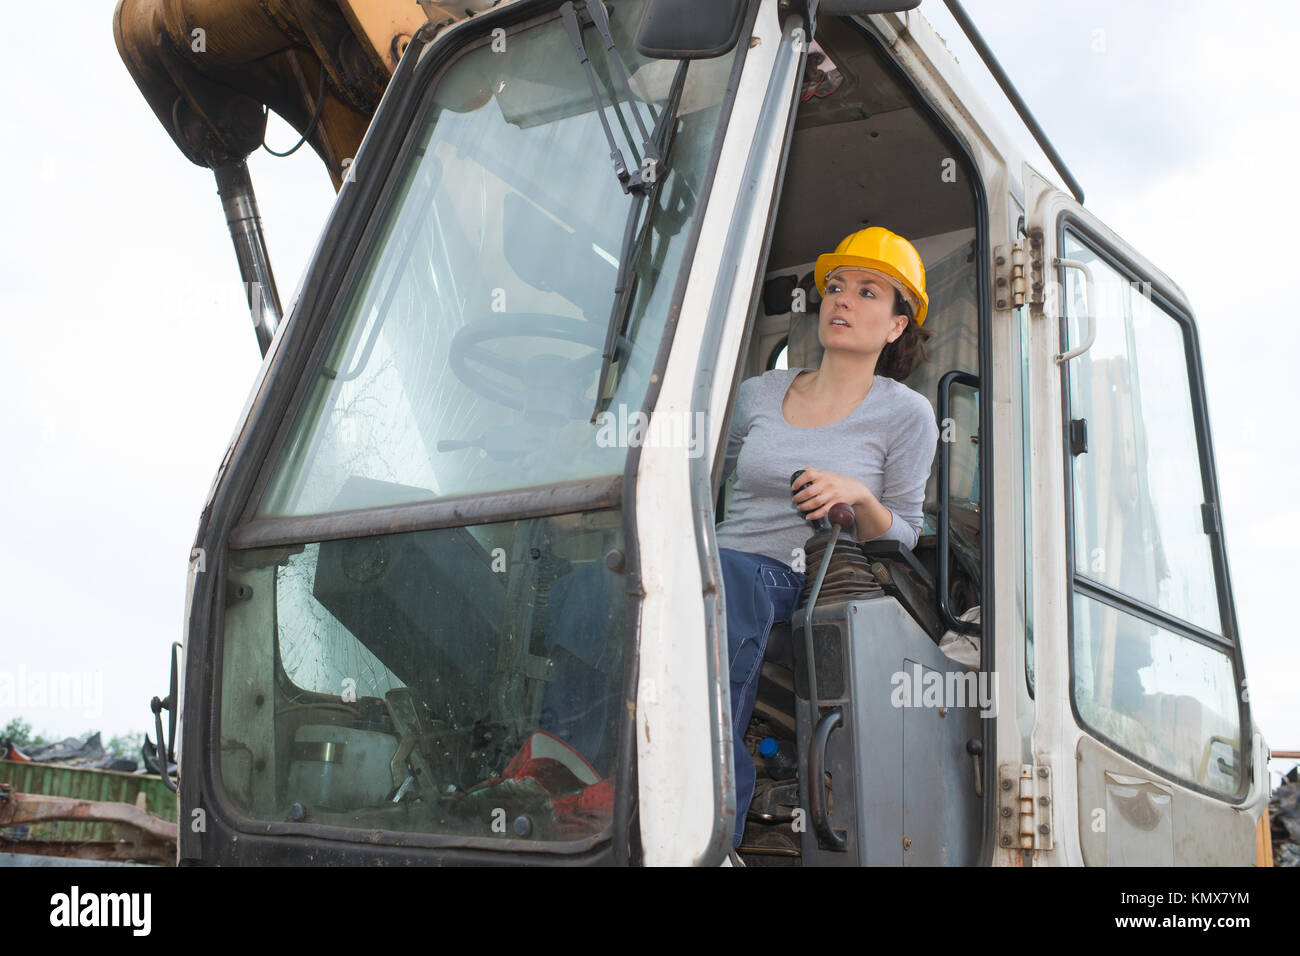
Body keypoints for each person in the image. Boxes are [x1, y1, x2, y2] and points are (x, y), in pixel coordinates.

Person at [715, 226, 939, 848]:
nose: (842, 300)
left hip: (799, 578)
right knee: (589, 584)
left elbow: (905, 531)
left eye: (869, 292)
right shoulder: (758, 394)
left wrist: (858, 496)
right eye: (835, 287)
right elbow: (700, 471)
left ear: (897, 325)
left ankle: (711, 829)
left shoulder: (906, 414)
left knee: (730, 583)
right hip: (721, 559)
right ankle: (563, 772)